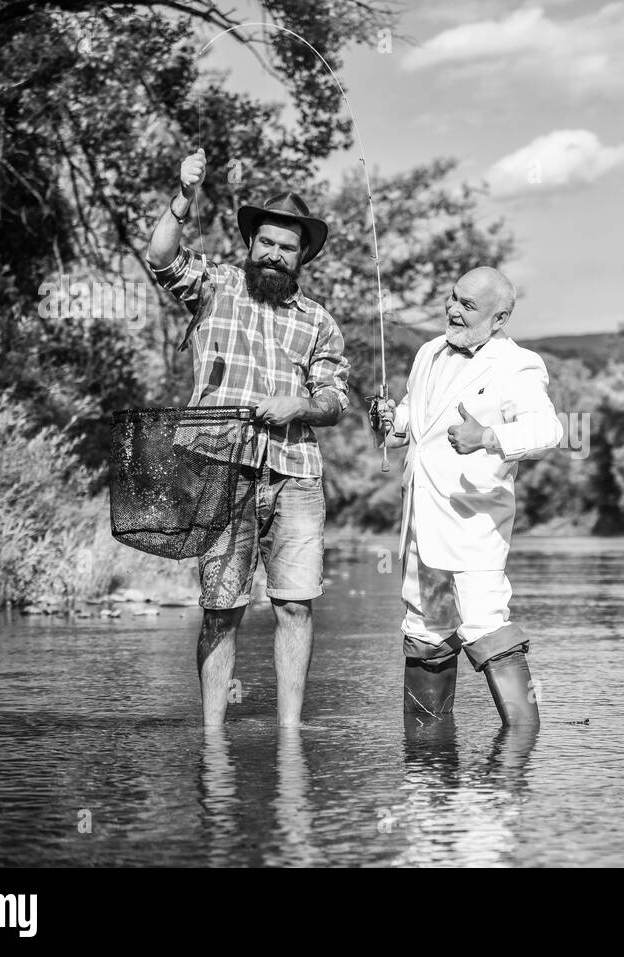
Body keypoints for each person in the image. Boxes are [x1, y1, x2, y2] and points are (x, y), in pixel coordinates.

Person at [146, 148, 349, 728]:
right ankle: (212, 734)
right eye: (267, 242)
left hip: (295, 474)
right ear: (251, 244)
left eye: (288, 247)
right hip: (217, 467)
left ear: (302, 256)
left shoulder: (319, 321)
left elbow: (334, 401)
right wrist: (183, 197)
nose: (276, 254)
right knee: (220, 608)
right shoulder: (215, 285)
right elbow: (161, 256)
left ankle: (289, 732)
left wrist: (300, 405)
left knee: (295, 606)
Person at [371, 267, 563, 726]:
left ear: (499, 319)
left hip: (474, 523)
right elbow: (413, 423)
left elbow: (549, 431)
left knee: (484, 623)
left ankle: (521, 743)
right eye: (453, 298)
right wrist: (390, 421)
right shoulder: (427, 353)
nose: (453, 310)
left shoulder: (517, 364)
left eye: (468, 306)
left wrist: (487, 436)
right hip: (419, 520)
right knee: (425, 629)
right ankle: (427, 754)